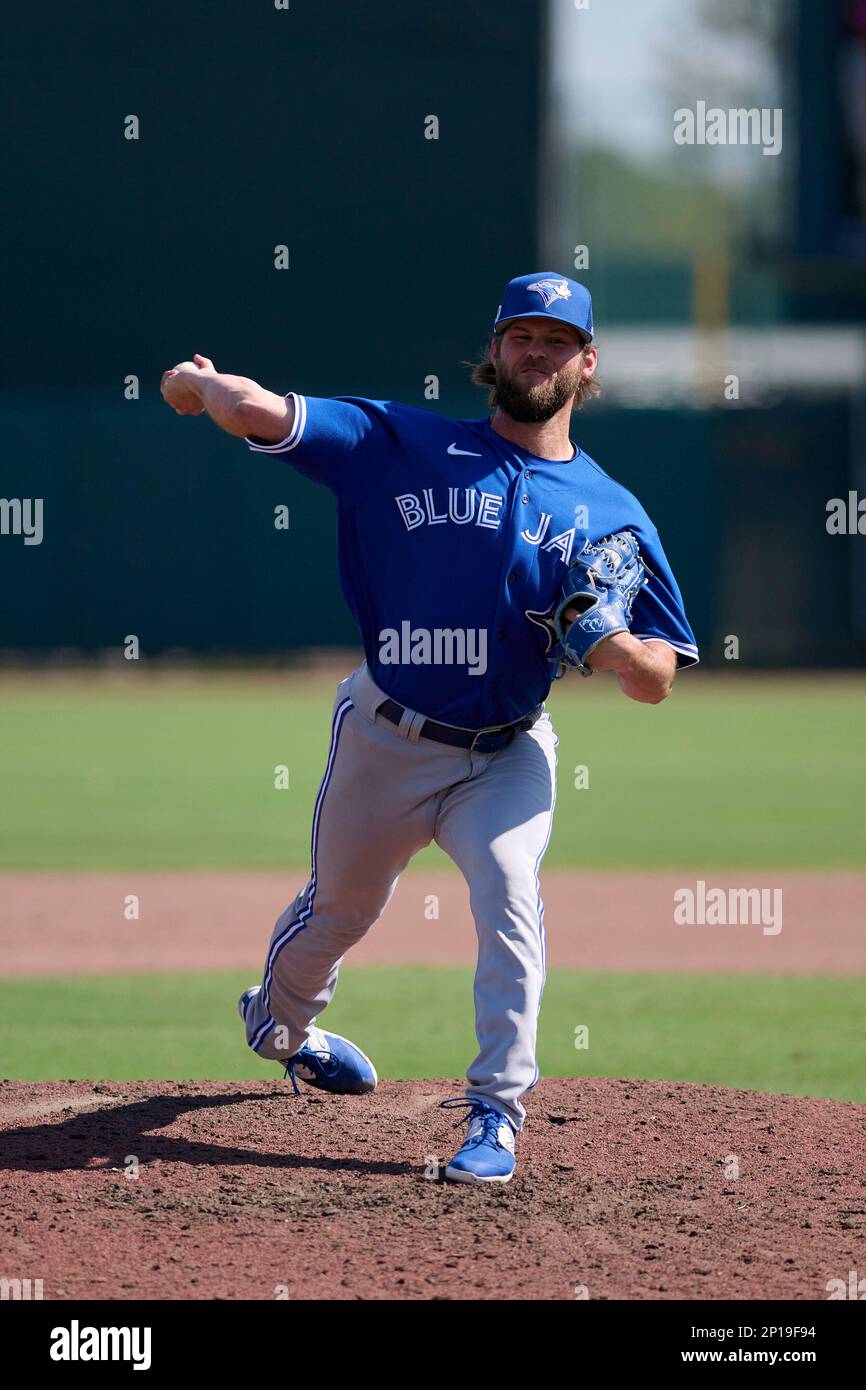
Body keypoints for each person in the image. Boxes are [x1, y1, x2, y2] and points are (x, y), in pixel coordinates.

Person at [160, 272, 698, 1184]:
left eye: (557, 339)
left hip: (508, 754)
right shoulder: (401, 444)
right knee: (341, 911)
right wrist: (198, 384)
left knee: (510, 891)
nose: (537, 352)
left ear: (588, 362)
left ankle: (496, 1112)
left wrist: (604, 638)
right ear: (493, 353)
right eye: (521, 336)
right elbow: (261, 410)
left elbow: (656, 679)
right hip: (384, 737)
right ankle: (280, 1026)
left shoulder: (615, 512)